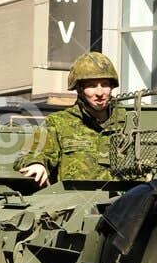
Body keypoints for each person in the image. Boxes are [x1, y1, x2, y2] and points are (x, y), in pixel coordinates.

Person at [17, 52, 131, 186]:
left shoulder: (130, 121)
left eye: (104, 84)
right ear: (79, 89)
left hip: (124, 204)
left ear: (112, 87)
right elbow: (30, 154)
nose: (100, 93)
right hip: (74, 204)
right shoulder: (58, 123)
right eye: (92, 86)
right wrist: (37, 163)